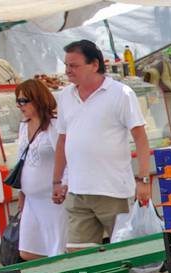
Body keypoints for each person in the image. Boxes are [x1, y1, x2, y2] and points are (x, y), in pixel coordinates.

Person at [51, 40, 153, 251]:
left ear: (94, 65)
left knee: (123, 254)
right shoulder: (65, 97)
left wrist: (143, 179)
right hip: (78, 191)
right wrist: (57, 180)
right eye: (66, 65)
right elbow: (62, 140)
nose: (68, 71)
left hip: (113, 191)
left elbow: (141, 138)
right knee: (80, 257)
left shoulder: (121, 93)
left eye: (74, 65)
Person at [12, 79, 66, 260]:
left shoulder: (54, 125)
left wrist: (63, 184)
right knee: (28, 251)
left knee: (57, 248)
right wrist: (22, 194)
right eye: (18, 101)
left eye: (24, 101)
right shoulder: (23, 125)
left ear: (37, 99)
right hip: (32, 198)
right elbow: (22, 160)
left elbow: (65, 157)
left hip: (52, 198)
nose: (20, 106)